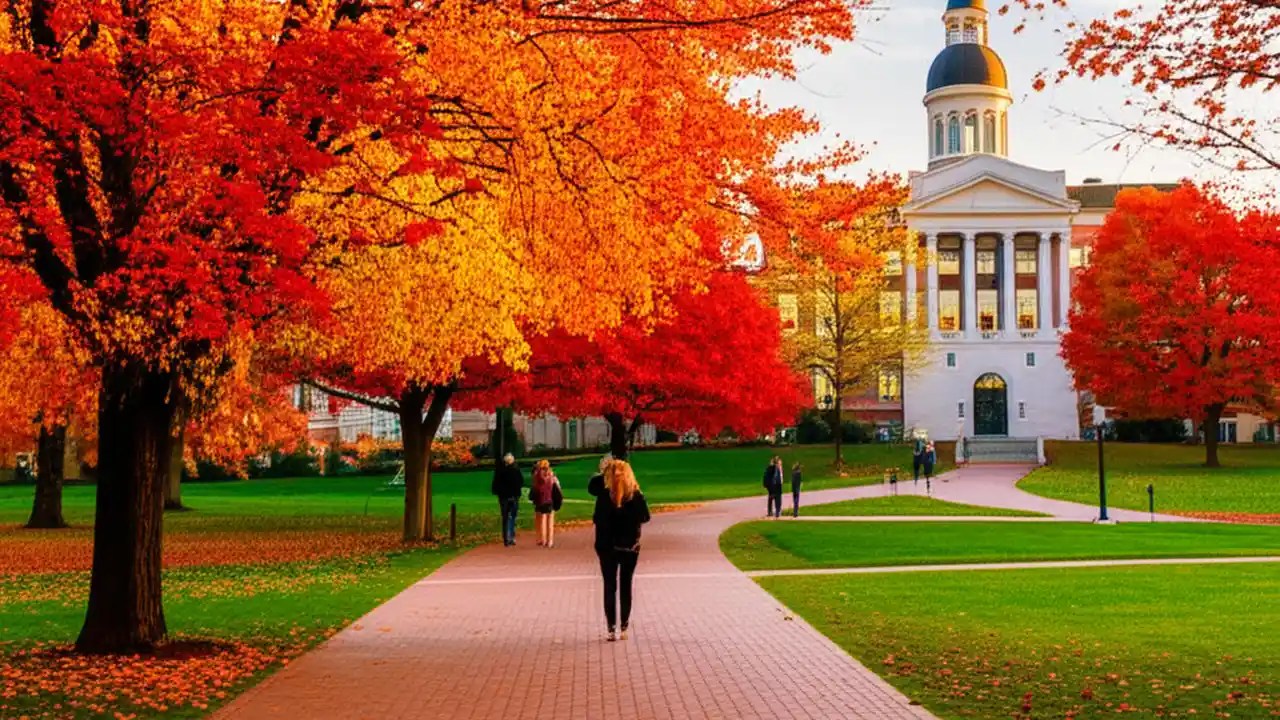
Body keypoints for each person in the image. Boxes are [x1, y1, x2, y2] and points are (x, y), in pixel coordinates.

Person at [589, 458, 650, 642]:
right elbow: (645, 517)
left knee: (609, 585)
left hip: (607, 545)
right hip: (629, 546)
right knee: (625, 584)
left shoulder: (604, 496)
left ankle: (611, 627)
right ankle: (624, 625)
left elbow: (597, 519)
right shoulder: (635, 495)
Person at [490, 453, 524, 547]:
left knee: (505, 517)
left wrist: (498, 492)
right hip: (513, 496)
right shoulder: (516, 470)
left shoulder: (499, 471)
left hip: (503, 497)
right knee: (512, 517)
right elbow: (521, 482)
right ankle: (511, 536)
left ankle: (506, 537)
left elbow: (495, 485)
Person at [529, 459, 563, 548]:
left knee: (542, 520)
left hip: (540, 501)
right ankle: (550, 541)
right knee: (550, 521)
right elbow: (558, 488)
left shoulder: (537, 477)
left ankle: (543, 540)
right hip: (550, 501)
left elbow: (534, 489)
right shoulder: (552, 477)